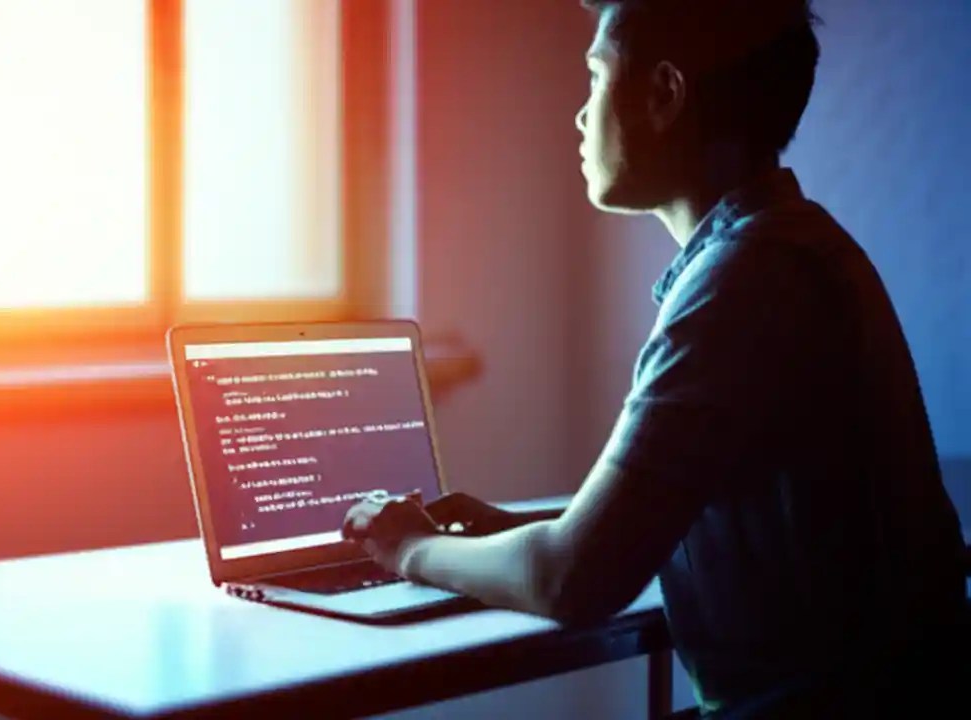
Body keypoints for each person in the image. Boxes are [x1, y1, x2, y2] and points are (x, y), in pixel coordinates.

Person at [342, 1, 968, 717]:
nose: (581, 117)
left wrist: (408, 552)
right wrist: (511, 535)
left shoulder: (740, 282)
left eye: (595, 78)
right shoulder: (799, 248)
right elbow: (613, 540)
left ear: (666, 94)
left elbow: (573, 579)